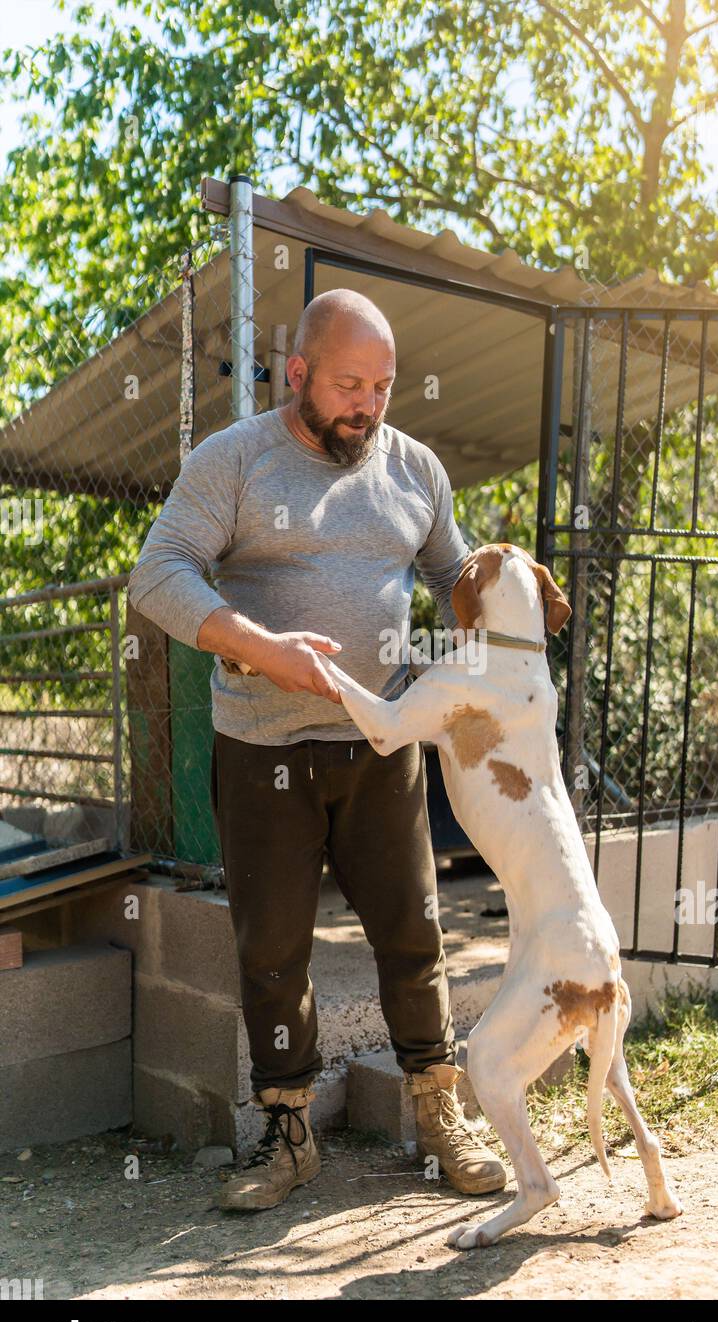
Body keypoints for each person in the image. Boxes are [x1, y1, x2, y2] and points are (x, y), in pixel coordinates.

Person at [127, 287, 506, 1211]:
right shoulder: (237, 460)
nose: (368, 406)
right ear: (297, 373)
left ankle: (439, 1111)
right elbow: (157, 573)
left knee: (414, 937)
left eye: (380, 386)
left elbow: (451, 574)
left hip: (382, 745)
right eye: (348, 385)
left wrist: (495, 620)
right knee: (273, 951)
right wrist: (262, 649)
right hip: (261, 748)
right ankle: (287, 1135)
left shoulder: (414, 468)